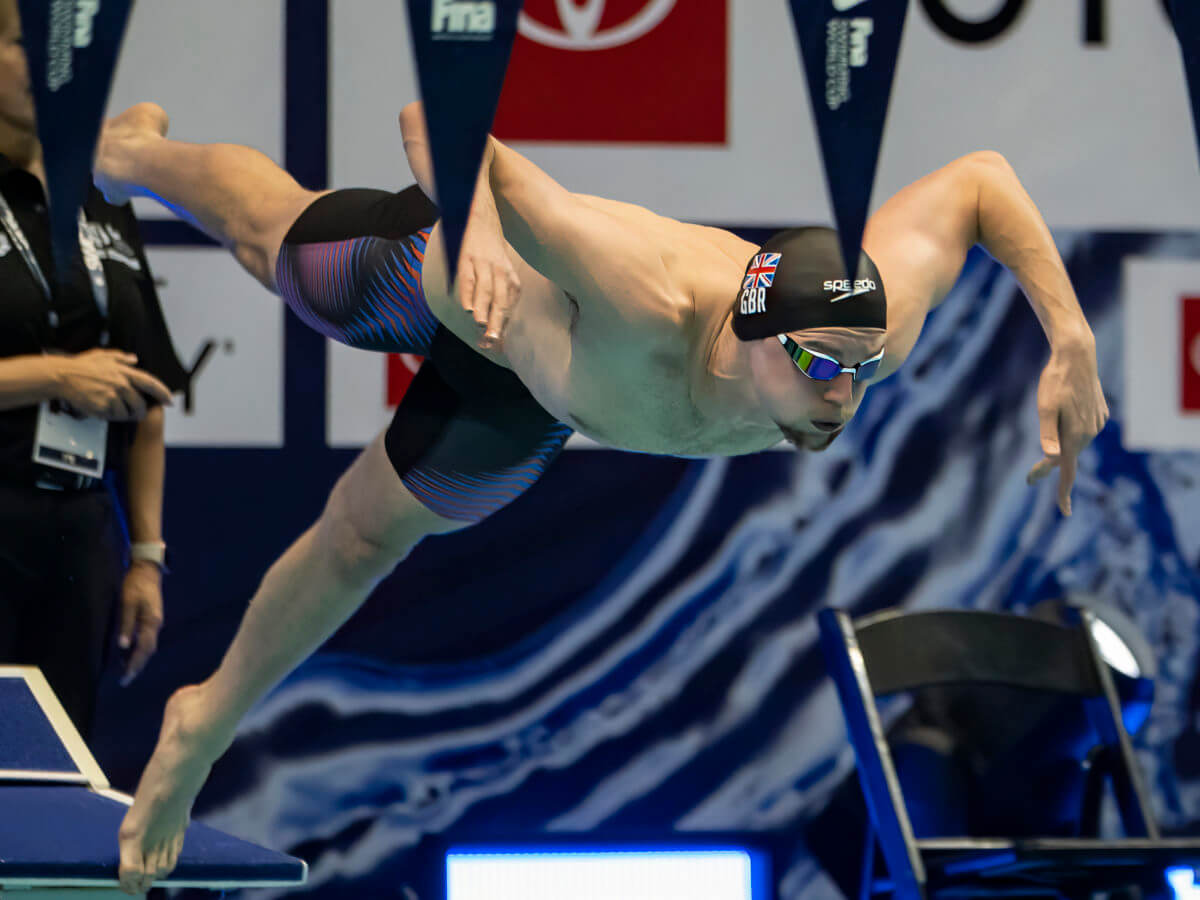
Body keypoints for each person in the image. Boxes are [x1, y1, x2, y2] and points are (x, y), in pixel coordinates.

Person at [93, 100, 1108, 893]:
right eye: (816, 363)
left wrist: (1070, 338)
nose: (842, 394)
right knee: (273, 239)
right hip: (449, 280)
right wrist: (483, 226)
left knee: (364, 536)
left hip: (529, 397)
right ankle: (129, 153)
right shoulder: (639, 288)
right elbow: (429, 118)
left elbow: (981, 179)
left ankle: (203, 723)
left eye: (862, 365)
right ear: (751, 330)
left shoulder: (870, 326)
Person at [0, 6, 183, 740]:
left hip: (79, 534)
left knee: (58, 768)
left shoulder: (102, 197)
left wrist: (146, 557)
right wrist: (52, 376)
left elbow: (148, 397)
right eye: (21, 46)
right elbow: (74, 377)